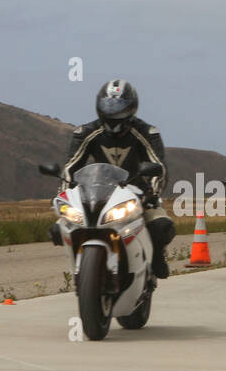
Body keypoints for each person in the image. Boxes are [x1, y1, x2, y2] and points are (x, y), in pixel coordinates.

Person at [62, 79, 175, 277]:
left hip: (137, 192)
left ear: (132, 107)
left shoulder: (147, 132)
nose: (113, 112)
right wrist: (65, 193)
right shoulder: (86, 132)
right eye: (108, 105)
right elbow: (71, 166)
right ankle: (81, 271)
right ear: (99, 105)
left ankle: (156, 256)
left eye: (119, 106)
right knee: (60, 226)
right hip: (96, 191)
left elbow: (159, 166)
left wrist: (152, 194)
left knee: (160, 226)